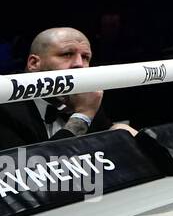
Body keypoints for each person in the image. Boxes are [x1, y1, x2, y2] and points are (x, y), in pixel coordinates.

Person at [0, 27, 136, 151]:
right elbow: (29, 169)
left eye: (85, 57)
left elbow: (102, 135)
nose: (79, 64)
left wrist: (118, 132)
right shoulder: (5, 107)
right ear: (34, 63)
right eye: (67, 54)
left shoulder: (86, 95)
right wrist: (82, 116)